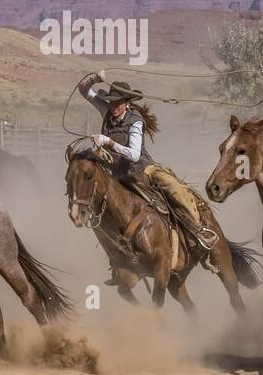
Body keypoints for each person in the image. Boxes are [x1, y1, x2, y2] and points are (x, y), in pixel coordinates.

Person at [75, 72, 217, 266]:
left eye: (118, 103)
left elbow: (134, 155)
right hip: (115, 174)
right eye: (111, 102)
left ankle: (199, 232)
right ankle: (117, 259)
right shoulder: (106, 109)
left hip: (142, 169)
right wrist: (95, 78)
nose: (113, 106)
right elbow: (84, 90)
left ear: (127, 103)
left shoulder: (136, 121)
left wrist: (109, 142)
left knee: (175, 190)